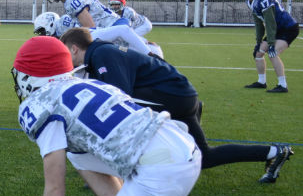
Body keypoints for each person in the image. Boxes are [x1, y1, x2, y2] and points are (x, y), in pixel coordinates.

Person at [12, 35, 239, 196]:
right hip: (176, 142)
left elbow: (55, 186)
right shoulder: (92, 83)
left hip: (164, 167)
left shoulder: (40, 104)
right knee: (77, 152)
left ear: (29, 76)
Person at [60, 27, 293, 183]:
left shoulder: (101, 54)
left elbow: (119, 96)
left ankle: (126, 171)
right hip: (181, 95)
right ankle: (273, 152)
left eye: (66, 54)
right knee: (206, 157)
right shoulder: (101, 52)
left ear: (74, 48)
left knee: (123, 111)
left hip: (174, 97)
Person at [238, 0, 299, 93]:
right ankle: (262, 82)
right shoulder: (251, 1)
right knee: (258, 53)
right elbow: (259, 24)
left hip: (287, 28)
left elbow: (270, 23)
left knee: (272, 53)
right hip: (276, 29)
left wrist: (271, 43)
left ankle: (283, 85)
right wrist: (258, 41)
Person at [33, 10, 158, 57]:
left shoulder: (84, 36)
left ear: (51, 25)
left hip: (145, 52)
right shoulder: (76, 38)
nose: (42, 36)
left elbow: (123, 30)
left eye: (42, 31)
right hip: (133, 54)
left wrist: (150, 54)